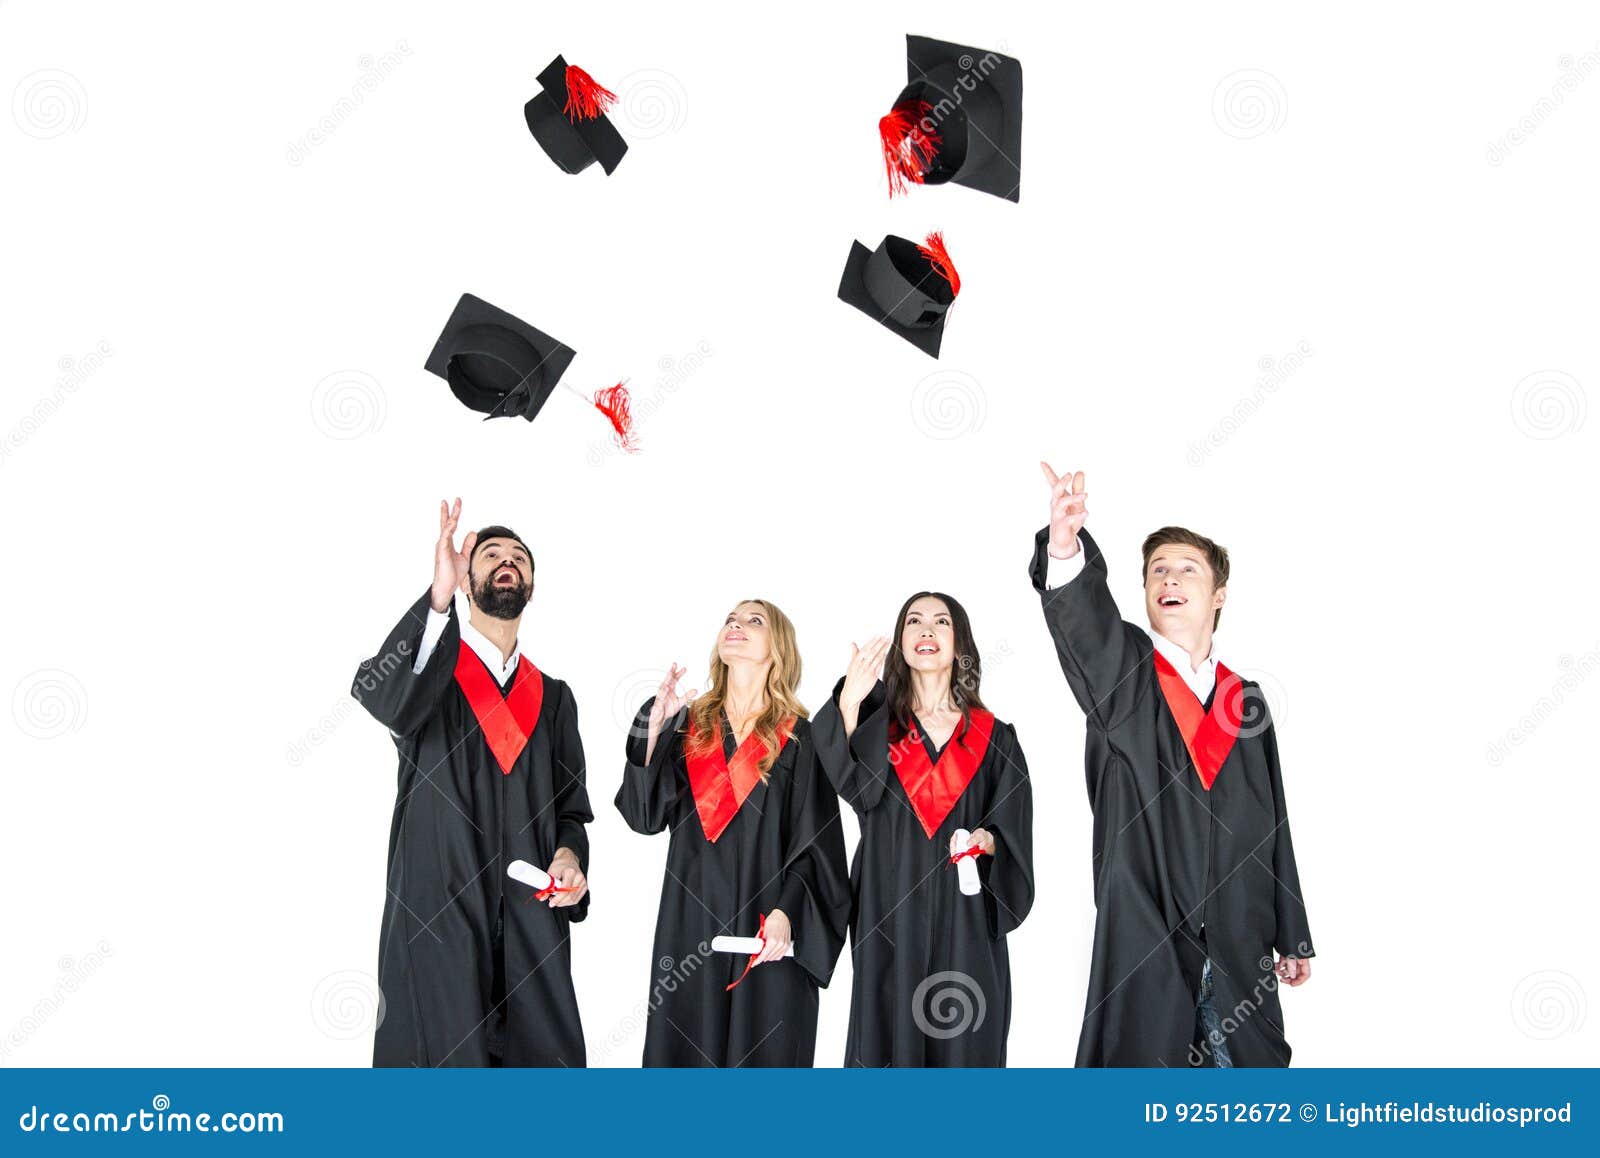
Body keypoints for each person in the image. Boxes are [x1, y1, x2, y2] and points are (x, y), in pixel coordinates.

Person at [1031, 465, 1315, 1068]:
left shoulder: (1247, 700)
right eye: (1158, 570)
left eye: (1188, 568)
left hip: (1241, 943)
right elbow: (1087, 626)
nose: (1170, 578)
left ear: (1218, 595)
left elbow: (1276, 821)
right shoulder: (1125, 675)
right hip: (1149, 931)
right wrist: (1063, 546)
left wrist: (1292, 932)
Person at [351, 499, 593, 1067]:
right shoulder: (433, 672)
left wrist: (568, 858)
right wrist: (436, 600)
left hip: (532, 923)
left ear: (531, 585)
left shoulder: (554, 698)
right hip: (440, 919)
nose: (507, 561)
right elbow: (385, 701)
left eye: (519, 557)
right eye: (490, 554)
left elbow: (571, 811)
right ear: (467, 580)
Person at [617, 601, 849, 1066]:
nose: (736, 625)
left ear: (776, 650)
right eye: (730, 619)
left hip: (767, 938)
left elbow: (817, 846)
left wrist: (787, 914)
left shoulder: (800, 739)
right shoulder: (690, 728)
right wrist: (654, 728)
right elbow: (644, 817)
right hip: (690, 934)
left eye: (753, 620)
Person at [813, 592, 1035, 1067]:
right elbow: (851, 787)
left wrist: (987, 840)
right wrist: (850, 701)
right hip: (887, 914)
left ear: (960, 646)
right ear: (900, 644)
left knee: (964, 1047)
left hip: (966, 920)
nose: (927, 630)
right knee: (887, 1042)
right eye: (913, 621)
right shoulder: (878, 729)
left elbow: (1012, 830)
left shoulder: (995, 738)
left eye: (941, 622)